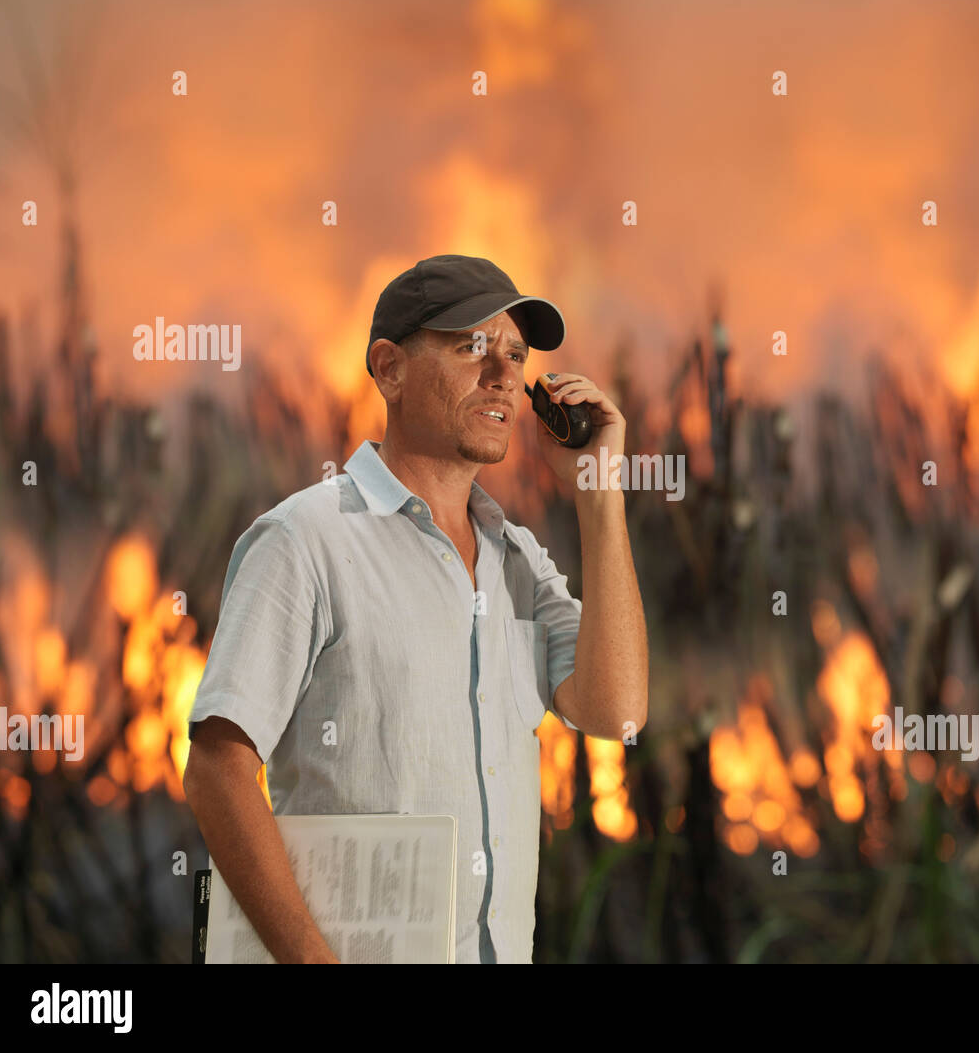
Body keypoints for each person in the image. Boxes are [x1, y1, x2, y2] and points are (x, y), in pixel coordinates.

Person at [183, 255, 649, 963]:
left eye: (516, 356)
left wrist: (597, 492)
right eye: (472, 346)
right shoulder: (305, 539)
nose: (503, 375)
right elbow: (217, 769)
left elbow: (616, 710)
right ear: (390, 368)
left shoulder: (516, 559)